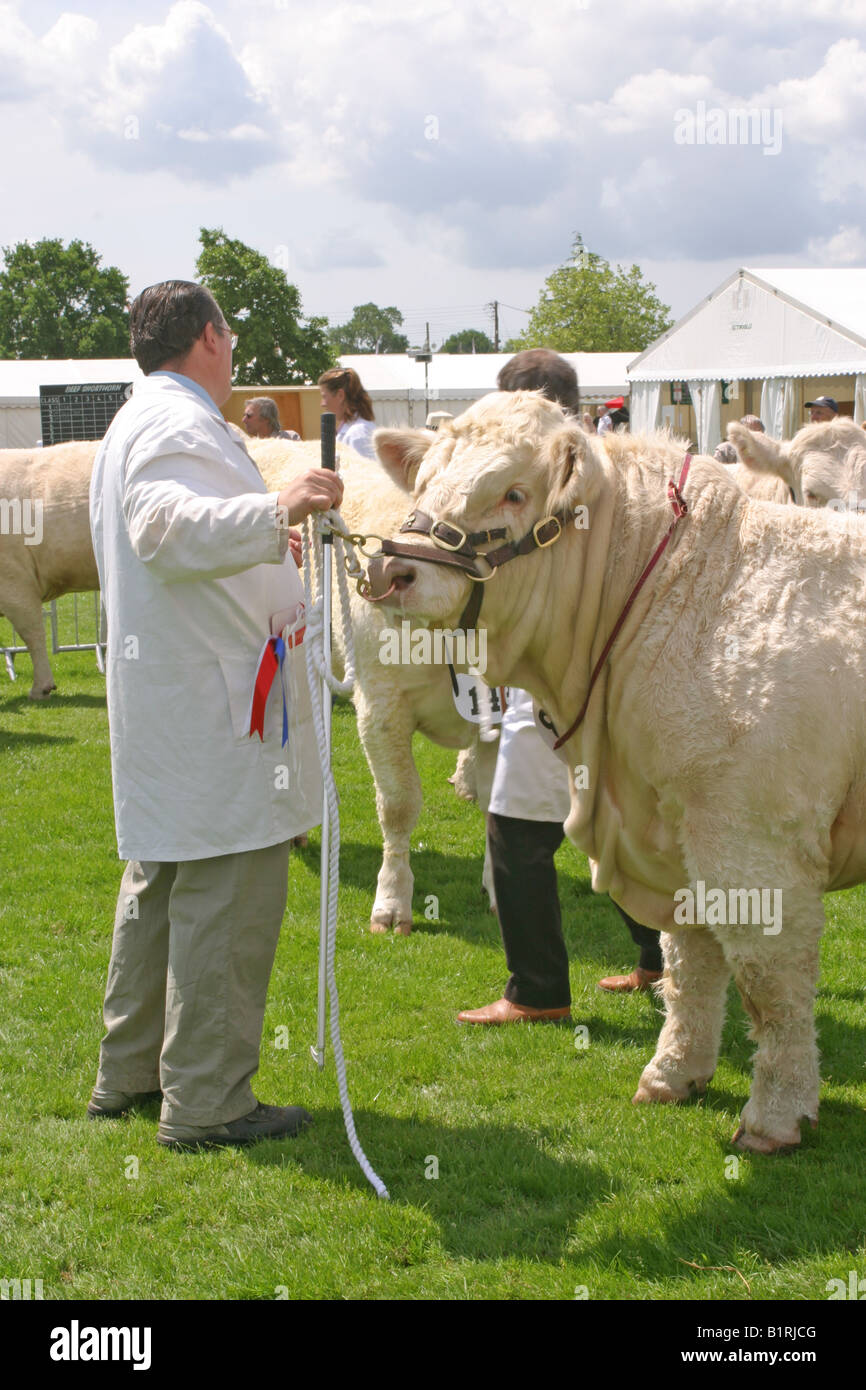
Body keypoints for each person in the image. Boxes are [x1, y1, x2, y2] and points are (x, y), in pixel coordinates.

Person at [87, 280, 344, 1151]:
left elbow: (177, 533)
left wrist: (267, 536)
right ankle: (206, 1100)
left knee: (161, 884)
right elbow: (163, 528)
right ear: (207, 337)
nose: (233, 349)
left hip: (181, 702)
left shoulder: (146, 415)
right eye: (228, 333)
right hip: (211, 709)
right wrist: (278, 508)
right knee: (226, 894)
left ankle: (133, 1071)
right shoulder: (175, 420)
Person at [457, 350, 662, 1026]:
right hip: (630, 672)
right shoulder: (619, 467)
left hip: (558, 675)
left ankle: (537, 991)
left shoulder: (537, 474)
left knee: (518, 830)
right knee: (624, 823)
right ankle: (657, 962)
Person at [318, 367, 377, 458]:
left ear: (340, 395)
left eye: (324, 396)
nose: (322, 404)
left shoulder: (357, 435)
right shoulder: (352, 431)